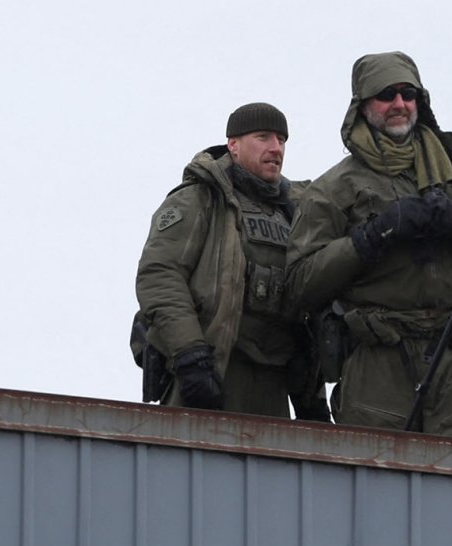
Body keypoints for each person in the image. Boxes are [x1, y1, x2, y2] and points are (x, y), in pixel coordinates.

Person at [288, 51, 452, 439]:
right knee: (379, 489)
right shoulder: (333, 189)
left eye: (409, 94)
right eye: (386, 94)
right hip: (378, 367)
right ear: (362, 106)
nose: (399, 105)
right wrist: (373, 236)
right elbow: (299, 286)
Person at [134, 102, 323, 419]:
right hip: (211, 371)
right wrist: (190, 354)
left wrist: (312, 393)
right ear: (233, 145)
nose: (275, 148)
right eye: (263, 137)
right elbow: (160, 276)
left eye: (281, 140)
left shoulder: (295, 211)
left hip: (275, 381)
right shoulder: (201, 198)